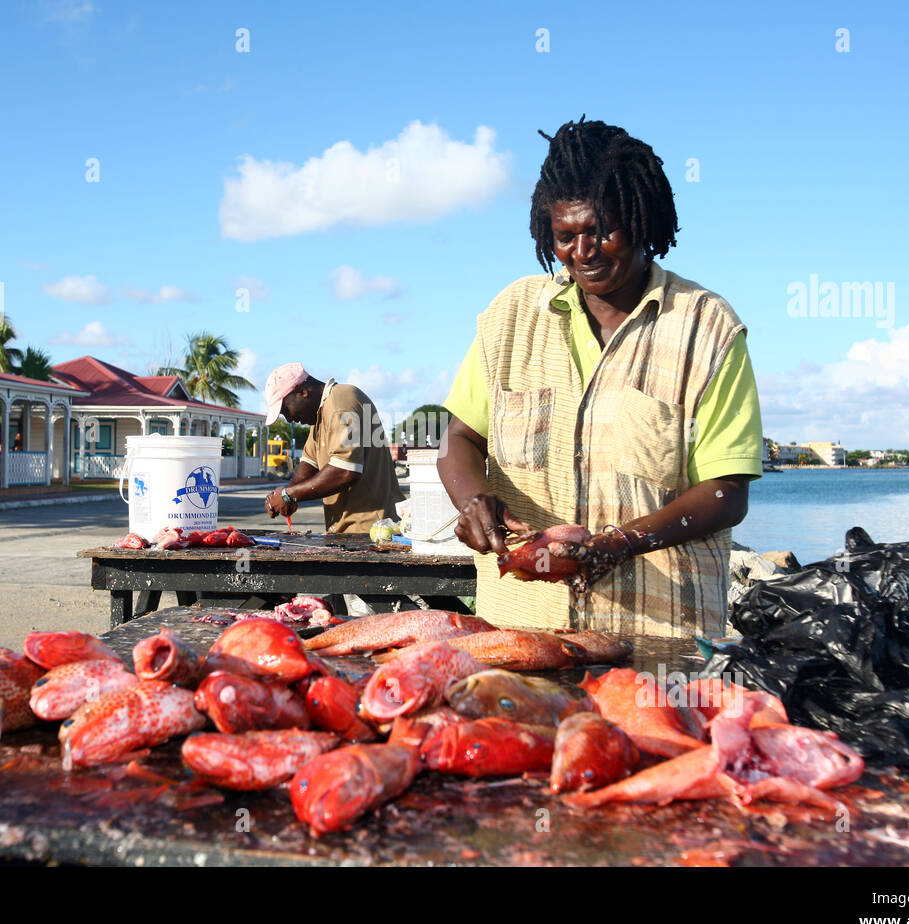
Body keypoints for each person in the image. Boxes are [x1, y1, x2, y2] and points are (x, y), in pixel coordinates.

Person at [438, 118, 764, 641]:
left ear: (642, 222)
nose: (583, 252)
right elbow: (459, 439)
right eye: (565, 236)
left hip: (659, 639)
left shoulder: (708, 327)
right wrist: (473, 500)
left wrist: (616, 544)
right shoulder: (509, 317)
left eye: (601, 231)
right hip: (520, 630)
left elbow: (727, 492)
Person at [261, 362, 403, 534]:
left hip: (371, 529)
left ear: (302, 391)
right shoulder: (320, 416)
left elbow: (344, 471)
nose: (289, 419)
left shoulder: (341, 400)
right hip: (348, 531)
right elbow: (309, 462)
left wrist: (288, 495)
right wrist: (287, 497)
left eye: (286, 410)